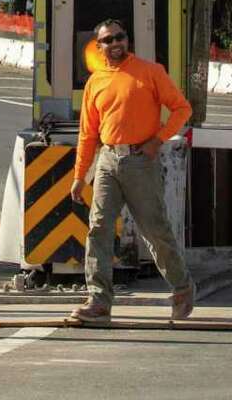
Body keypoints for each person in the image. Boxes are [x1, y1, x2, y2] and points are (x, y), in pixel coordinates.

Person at [64, 19, 194, 328]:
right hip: (108, 161)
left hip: (140, 162)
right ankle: (98, 301)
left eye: (120, 37)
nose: (115, 43)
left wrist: (158, 140)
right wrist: (79, 175)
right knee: (98, 228)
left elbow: (181, 109)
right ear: (99, 47)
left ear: (128, 40)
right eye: (108, 40)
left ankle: (182, 287)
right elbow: (87, 134)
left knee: (155, 231)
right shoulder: (95, 82)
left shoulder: (150, 72)